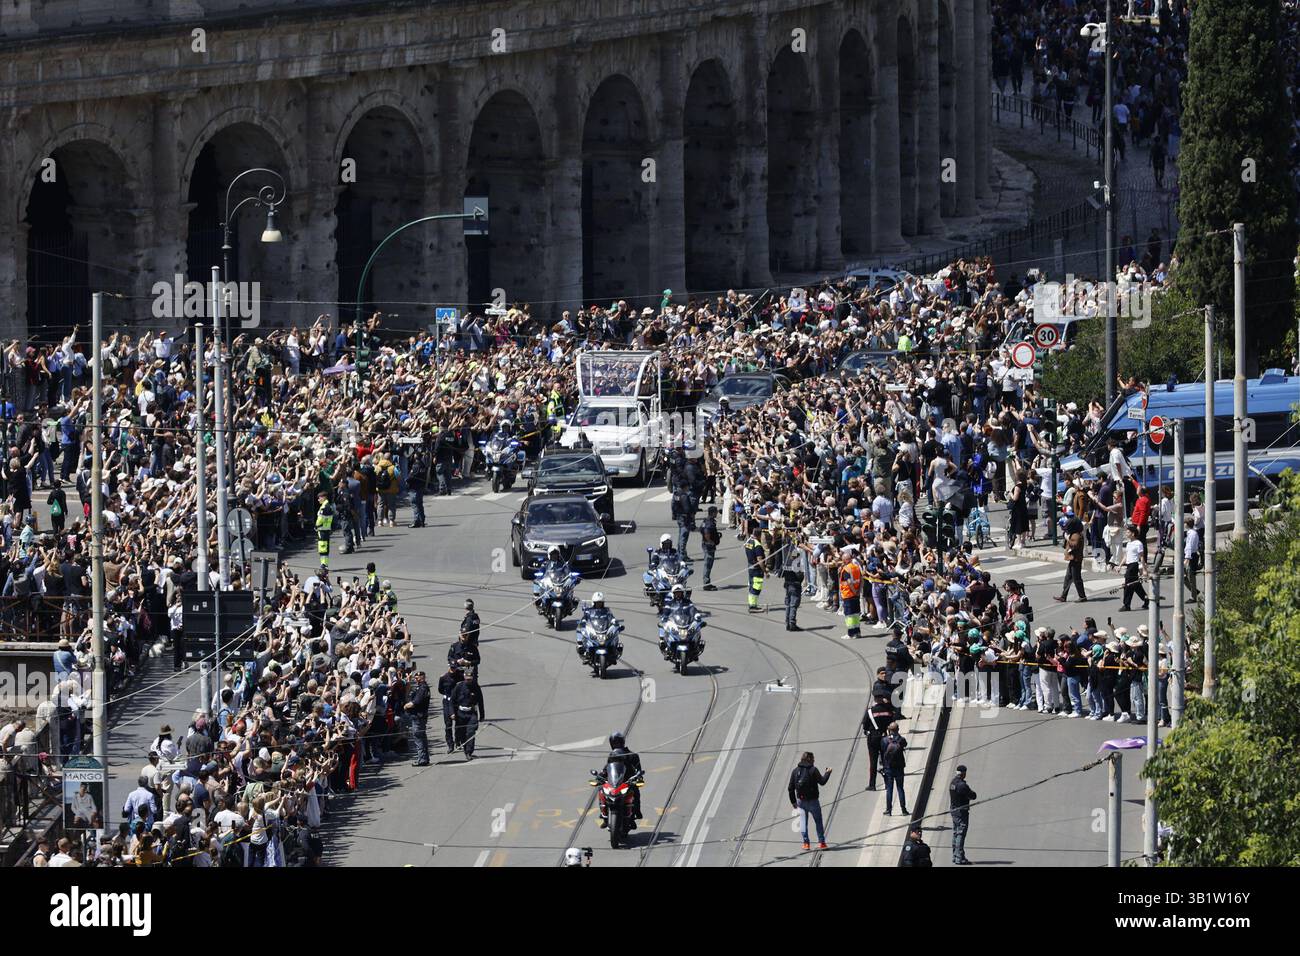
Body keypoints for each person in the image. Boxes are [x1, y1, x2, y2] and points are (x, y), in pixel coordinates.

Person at [787, 751, 832, 850]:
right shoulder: (813, 770)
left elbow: (790, 788)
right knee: (818, 821)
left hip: (801, 801)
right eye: (813, 758)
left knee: (803, 823)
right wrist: (828, 773)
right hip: (813, 801)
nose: (814, 760)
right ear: (809, 759)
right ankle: (822, 842)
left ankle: (806, 843)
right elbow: (822, 782)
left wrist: (793, 802)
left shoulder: (795, 771)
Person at [599, 731, 643, 828]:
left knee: (635, 791)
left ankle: (635, 813)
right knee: (601, 790)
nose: (616, 744)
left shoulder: (633, 755)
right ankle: (604, 816)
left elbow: (638, 770)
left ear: (622, 742)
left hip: (628, 782)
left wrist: (638, 776)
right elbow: (608, 767)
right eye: (614, 743)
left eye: (618, 742)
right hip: (614, 782)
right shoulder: (612, 755)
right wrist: (601, 775)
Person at [862, 667, 896, 791]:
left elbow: (865, 726)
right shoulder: (887, 711)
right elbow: (892, 724)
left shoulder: (870, 711)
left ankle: (872, 784)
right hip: (884, 737)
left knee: (873, 761)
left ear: (875, 699)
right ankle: (888, 783)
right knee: (886, 761)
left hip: (872, 738)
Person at [450, 668, 485, 760]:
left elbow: (480, 701)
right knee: (461, 734)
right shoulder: (459, 686)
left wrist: (482, 715)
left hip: (471, 713)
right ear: (464, 677)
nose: (468, 680)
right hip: (460, 713)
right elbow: (452, 701)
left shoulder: (476, 687)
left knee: (470, 733)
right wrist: (452, 713)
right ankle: (460, 743)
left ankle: (468, 752)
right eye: (467, 678)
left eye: (470, 678)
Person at [1054, 509, 1087, 602]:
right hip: (1072, 559)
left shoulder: (1076, 535)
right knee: (1068, 578)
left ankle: (1082, 596)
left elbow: (1074, 545)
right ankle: (1063, 596)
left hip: (1076, 559)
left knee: (1076, 578)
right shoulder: (1074, 533)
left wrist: (1068, 539)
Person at [949, 764, 976, 865]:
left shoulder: (953, 782)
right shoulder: (961, 785)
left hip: (954, 810)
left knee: (956, 832)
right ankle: (959, 857)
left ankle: (955, 855)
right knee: (960, 833)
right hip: (961, 811)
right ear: (963, 773)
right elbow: (972, 795)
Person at [880, 721, 908, 816]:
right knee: (900, 788)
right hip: (899, 767)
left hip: (889, 768)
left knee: (889, 789)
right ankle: (903, 809)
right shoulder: (901, 739)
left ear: (889, 730)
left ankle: (889, 809)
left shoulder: (884, 740)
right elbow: (905, 744)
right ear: (897, 729)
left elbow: (883, 750)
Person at [1119, 525, 1150, 611]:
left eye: (1128, 532)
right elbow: (1126, 556)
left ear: (1133, 534)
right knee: (1136, 585)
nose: (1126, 533)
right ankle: (1147, 600)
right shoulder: (1129, 543)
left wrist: (1144, 570)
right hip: (1129, 565)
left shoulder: (1138, 543)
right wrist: (1120, 565)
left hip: (1134, 565)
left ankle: (1126, 605)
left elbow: (1142, 557)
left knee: (1128, 586)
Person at [404, 670, 430, 766]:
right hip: (418, 716)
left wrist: (407, 706)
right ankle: (424, 758)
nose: (417, 678)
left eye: (419, 677)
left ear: (423, 677)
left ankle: (421, 759)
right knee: (421, 737)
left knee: (418, 737)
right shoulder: (420, 687)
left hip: (419, 716)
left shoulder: (423, 688)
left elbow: (416, 702)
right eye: (416, 677)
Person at [838, 546, 863, 639]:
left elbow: (848, 582)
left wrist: (854, 591)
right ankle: (857, 632)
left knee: (849, 615)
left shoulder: (846, 569)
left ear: (845, 560)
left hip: (848, 594)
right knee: (856, 614)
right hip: (856, 594)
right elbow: (861, 579)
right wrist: (858, 591)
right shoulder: (856, 567)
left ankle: (850, 633)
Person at [743, 530, 766, 613]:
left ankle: (752, 604)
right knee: (756, 588)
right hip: (756, 569)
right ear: (759, 535)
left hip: (750, 566)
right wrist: (765, 571)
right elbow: (760, 560)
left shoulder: (749, 541)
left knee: (752, 586)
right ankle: (753, 606)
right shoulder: (757, 545)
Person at [700, 505, 720, 590]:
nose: (717, 513)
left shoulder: (706, 521)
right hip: (708, 546)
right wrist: (710, 541)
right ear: (713, 513)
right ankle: (706, 583)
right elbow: (706, 532)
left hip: (705, 544)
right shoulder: (709, 523)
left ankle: (707, 582)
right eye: (716, 512)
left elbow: (701, 529)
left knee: (708, 564)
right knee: (708, 564)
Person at [314, 491, 334, 571]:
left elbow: (320, 519)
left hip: (322, 529)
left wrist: (316, 526)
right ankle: (325, 564)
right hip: (326, 529)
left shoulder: (324, 507)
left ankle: (324, 565)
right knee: (325, 548)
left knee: (322, 548)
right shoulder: (328, 506)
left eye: (319, 498)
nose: (318, 500)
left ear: (324, 497)